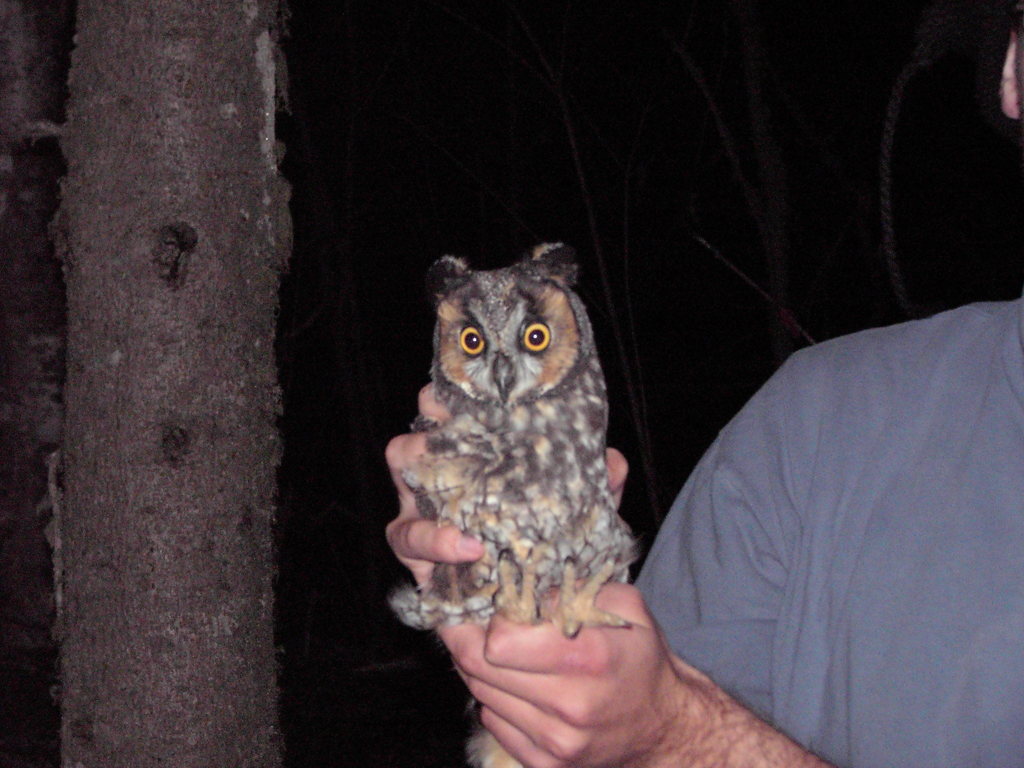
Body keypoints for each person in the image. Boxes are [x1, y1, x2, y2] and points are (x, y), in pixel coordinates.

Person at [386, 17, 1024, 768]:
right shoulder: (817, 425)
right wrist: (546, 660)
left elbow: (674, 726)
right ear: (1012, 71)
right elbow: (613, 708)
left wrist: (680, 735)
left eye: (531, 340)